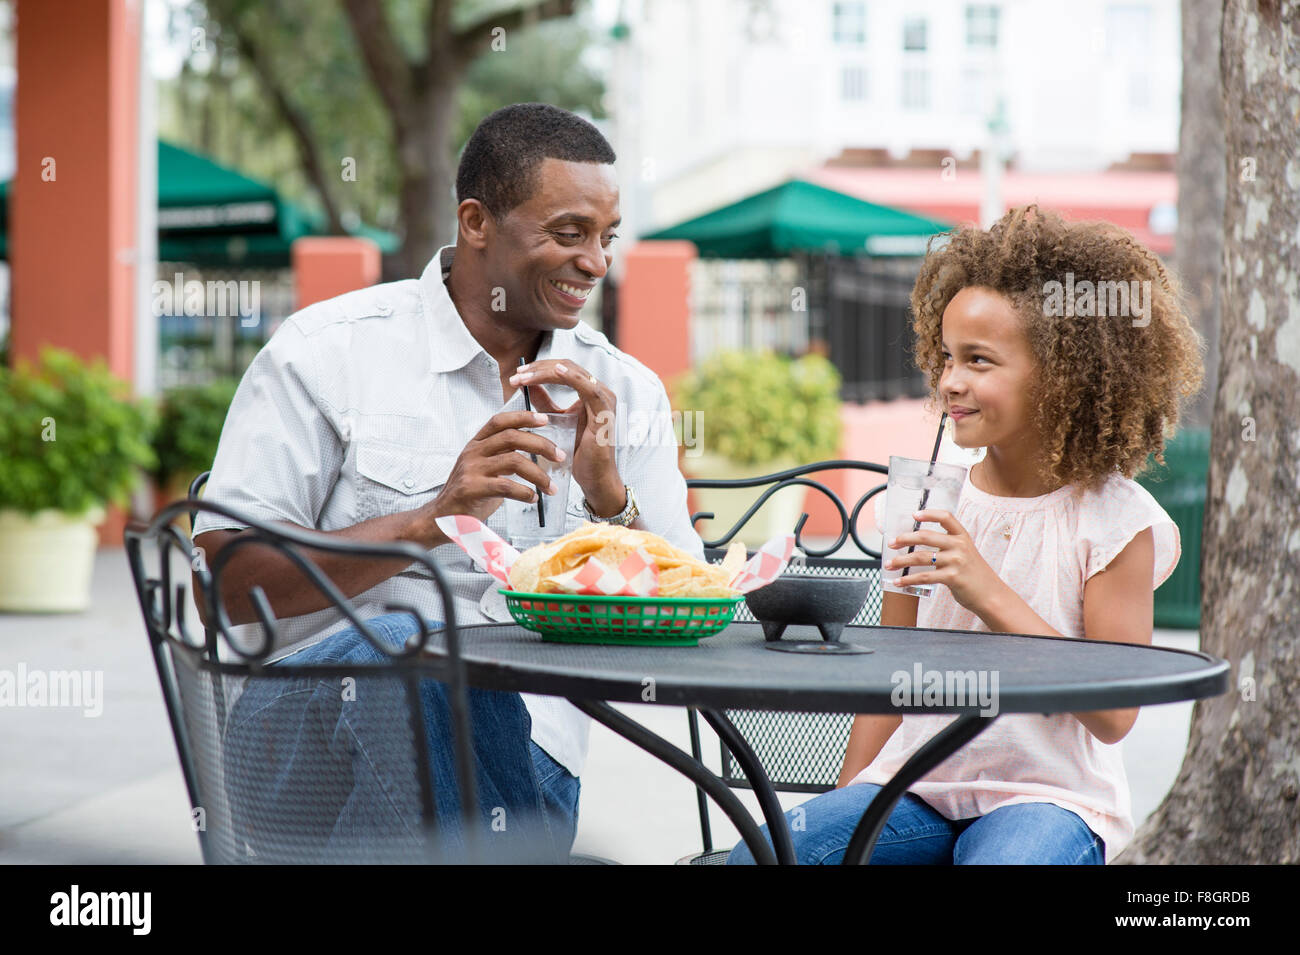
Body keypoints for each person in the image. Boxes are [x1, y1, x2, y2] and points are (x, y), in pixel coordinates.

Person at [191, 103, 702, 862]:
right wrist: (429, 519)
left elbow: (694, 608)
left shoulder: (621, 389)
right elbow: (227, 583)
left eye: (606, 238)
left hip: (528, 765)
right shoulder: (328, 353)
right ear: (476, 221)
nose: (596, 262)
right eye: (569, 232)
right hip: (305, 744)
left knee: (437, 723)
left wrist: (609, 499)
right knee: (413, 649)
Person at [728, 205, 1205, 865]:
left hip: (1050, 797)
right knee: (764, 856)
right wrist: (853, 799)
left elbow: (1114, 713)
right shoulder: (926, 498)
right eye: (947, 357)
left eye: (979, 360)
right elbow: (888, 677)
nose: (950, 380)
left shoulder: (1116, 519)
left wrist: (985, 588)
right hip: (916, 785)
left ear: (1063, 374)